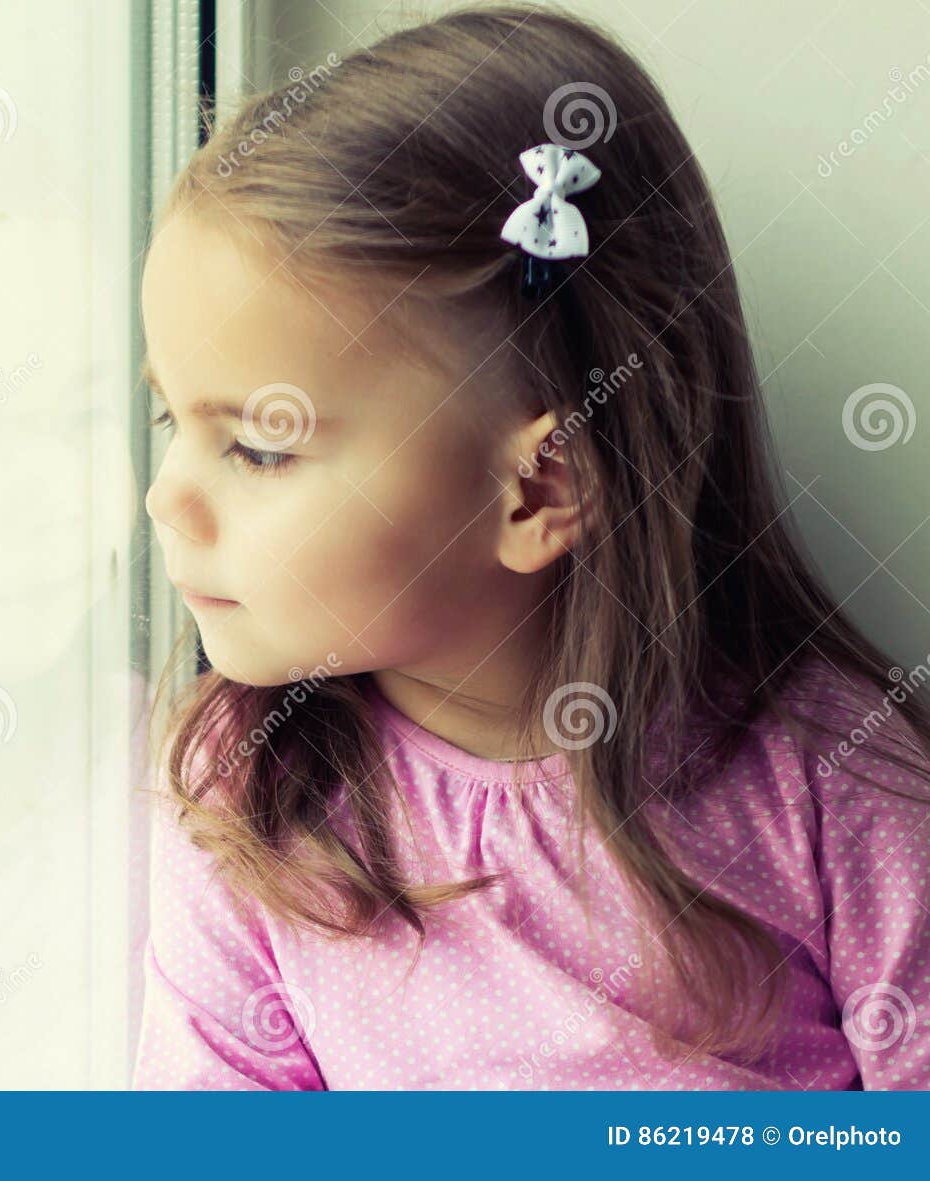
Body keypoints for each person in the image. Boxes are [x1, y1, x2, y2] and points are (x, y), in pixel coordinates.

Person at [131, 3, 930, 1090]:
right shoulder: (246, 789)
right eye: (170, 417)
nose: (166, 497)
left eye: (259, 446)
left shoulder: (837, 777)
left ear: (539, 488)